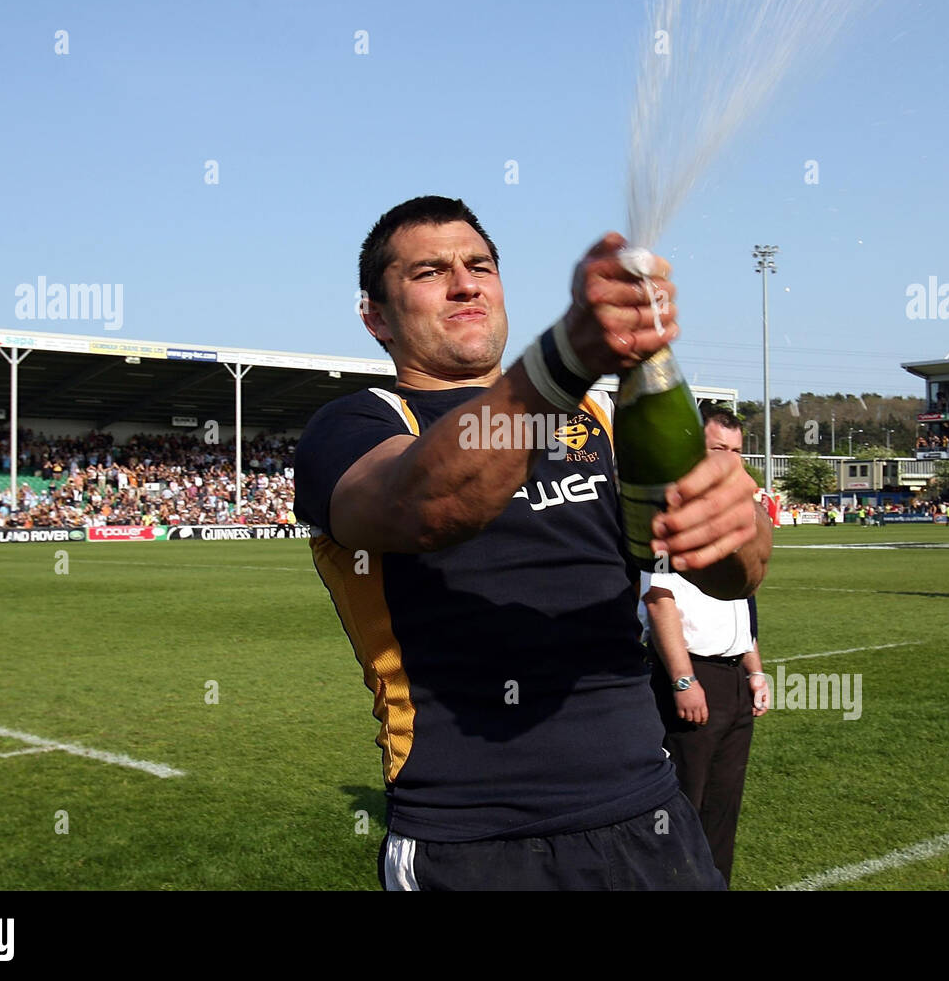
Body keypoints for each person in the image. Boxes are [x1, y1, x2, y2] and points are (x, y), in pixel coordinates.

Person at [292, 196, 771, 891]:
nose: (465, 283)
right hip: (472, 842)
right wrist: (566, 356)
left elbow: (733, 571)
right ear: (375, 316)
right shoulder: (354, 427)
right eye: (430, 271)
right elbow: (428, 503)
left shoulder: (603, 418)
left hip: (651, 817)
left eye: (480, 265)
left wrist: (738, 526)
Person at [640, 406, 769, 888]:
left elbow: (743, 600)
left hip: (734, 677)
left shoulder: (735, 509)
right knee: (682, 805)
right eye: (719, 449)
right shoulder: (667, 509)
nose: (730, 461)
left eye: (737, 451)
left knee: (723, 807)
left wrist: (754, 669)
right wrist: (682, 678)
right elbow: (658, 599)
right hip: (693, 674)